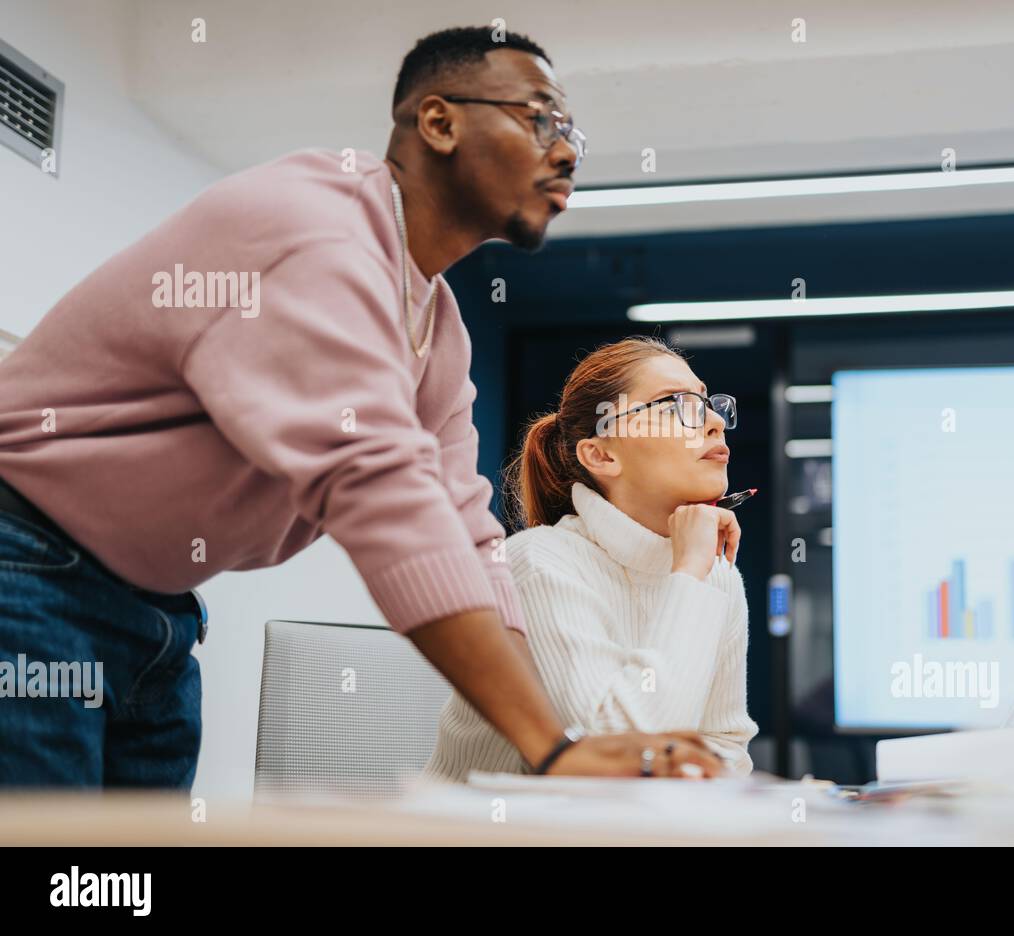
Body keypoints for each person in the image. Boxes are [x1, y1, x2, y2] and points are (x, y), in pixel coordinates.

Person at [0, 26, 722, 787]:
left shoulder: (437, 331)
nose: (568, 150)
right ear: (439, 123)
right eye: (540, 118)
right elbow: (379, 488)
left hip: (156, 607)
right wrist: (554, 746)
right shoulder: (316, 233)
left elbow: (468, 539)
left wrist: (559, 740)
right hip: (28, 568)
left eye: (571, 129)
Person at [427, 337, 758, 782]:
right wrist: (690, 577)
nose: (716, 421)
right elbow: (616, 755)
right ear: (601, 454)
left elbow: (724, 744)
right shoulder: (538, 563)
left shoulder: (715, 576)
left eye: (707, 403)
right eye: (674, 404)